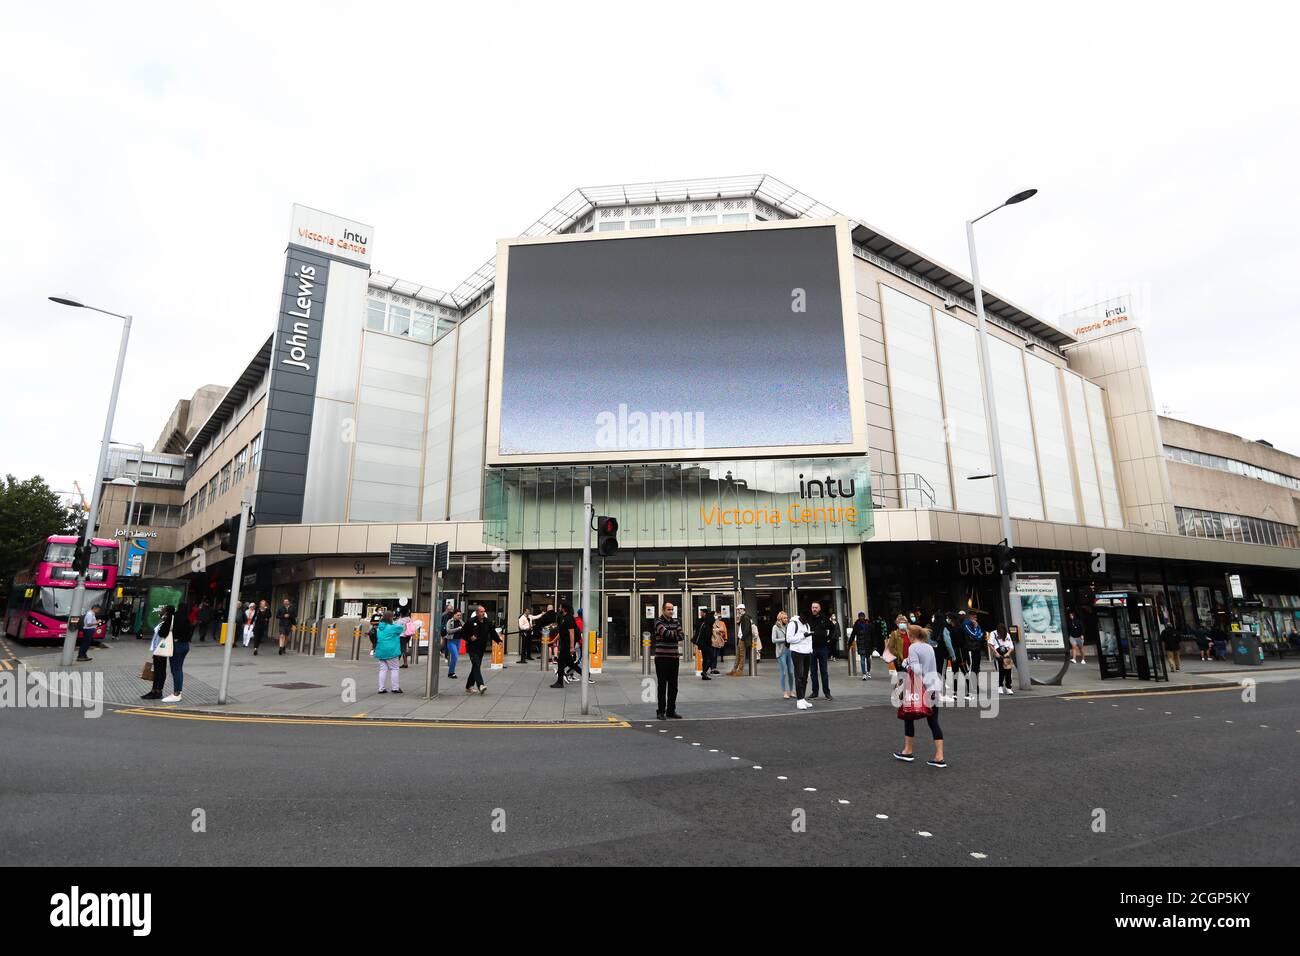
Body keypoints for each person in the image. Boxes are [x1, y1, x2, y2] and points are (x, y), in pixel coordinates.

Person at [893, 624, 946, 768]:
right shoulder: (929, 647)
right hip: (934, 687)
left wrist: (907, 664)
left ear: (911, 635)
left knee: (908, 717)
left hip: (920, 689)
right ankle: (939, 756)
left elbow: (916, 670)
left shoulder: (913, 648)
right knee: (933, 722)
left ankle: (908, 750)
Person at [652, 602, 684, 719]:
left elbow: (681, 635)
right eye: (668, 609)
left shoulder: (676, 621)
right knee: (662, 686)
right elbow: (665, 634)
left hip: (674, 658)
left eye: (672, 609)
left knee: (673, 686)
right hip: (661, 658)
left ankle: (671, 710)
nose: (671, 611)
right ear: (663, 610)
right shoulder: (658, 621)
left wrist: (672, 635)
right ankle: (661, 711)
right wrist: (673, 635)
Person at [462, 605, 501, 695]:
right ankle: (481, 685)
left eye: (484, 611)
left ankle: (468, 686)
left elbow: (492, 632)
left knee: (476, 666)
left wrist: (498, 641)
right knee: (476, 664)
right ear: (476, 612)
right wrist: (469, 637)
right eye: (481, 611)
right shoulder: (471, 621)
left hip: (481, 648)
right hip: (472, 648)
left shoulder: (487, 622)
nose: (483, 613)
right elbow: (463, 633)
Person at [162, 601, 193, 703]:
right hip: (185, 646)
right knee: (179, 668)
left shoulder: (174, 617)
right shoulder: (188, 618)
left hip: (176, 645)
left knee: (176, 669)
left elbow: (162, 632)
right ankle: (178, 691)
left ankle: (177, 693)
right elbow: (190, 633)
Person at [141, 605, 175, 700]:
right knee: (159, 670)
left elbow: (162, 633)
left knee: (159, 671)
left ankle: (157, 691)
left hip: (161, 650)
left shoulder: (168, 621)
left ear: (167, 612)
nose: (161, 610)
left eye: (163, 610)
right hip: (159, 649)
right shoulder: (166, 620)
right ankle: (156, 690)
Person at [785, 610, 814, 709]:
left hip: (807, 652)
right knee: (799, 676)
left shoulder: (807, 625)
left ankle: (802, 698)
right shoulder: (793, 624)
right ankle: (799, 700)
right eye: (806, 619)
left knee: (805, 677)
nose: (807, 621)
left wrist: (810, 650)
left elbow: (809, 639)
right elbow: (789, 639)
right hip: (797, 652)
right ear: (801, 617)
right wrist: (802, 636)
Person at [806, 602, 833, 701]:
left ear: (820, 608)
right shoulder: (808, 619)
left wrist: (828, 639)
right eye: (813, 607)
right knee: (813, 672)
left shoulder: (825, 619)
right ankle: (815, 692)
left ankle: (827, 693)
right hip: (811, 648)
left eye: (816, 607)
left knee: (824, 672)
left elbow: (833, 628)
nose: (814, 609)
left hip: (823, 648)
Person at [374, 609, 404, 694]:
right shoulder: (392, 627)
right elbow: (401, 628)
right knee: (394, 669)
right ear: (390, 618)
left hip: (381, 650)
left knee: (383, 669)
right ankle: (395, 688)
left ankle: (381, 688)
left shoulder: (379, 627)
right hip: (391, 651)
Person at [550, 603, 577, 689]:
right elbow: (561, 633)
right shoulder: (563, 618)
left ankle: (560, 682)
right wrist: (554, 640)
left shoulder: (569, 618)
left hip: (567, 644)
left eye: (560, 607)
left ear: (564, 608)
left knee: (561, 662)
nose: (559, 608)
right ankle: (585, 674)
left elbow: (571, 633)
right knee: (569, 663)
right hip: (564, 643)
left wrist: (572, 646)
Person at [961, 610, 985, 703]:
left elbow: (980, 635)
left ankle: (975, 687)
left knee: (976, 668)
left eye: (976, 617)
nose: (976, 619)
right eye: (974, 617)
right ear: (970, 617)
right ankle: (971, 689)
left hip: (976, 648)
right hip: (971, 649)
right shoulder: (966, 624)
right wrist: (975, 628)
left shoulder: (976, 624)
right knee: (971, 668)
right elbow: (975, 635)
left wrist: (976, 629)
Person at [772, 611, 794, 699]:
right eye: (784, 618)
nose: (786, 619)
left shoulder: (789, 626)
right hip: (781, 652)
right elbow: (773, 640)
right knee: (783, 672)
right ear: (780, 619)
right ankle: (784, 691)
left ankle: (792, 691)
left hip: (789, 651)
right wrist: (784, 639)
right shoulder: (775, 627)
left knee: (791, 672)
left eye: (787, 618)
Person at [988, 622, 1014, 695]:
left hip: (1007, 655)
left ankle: (1008, 687)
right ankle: (1000, 686)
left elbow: (1011, 647)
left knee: (1008, 671)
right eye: (1000, 633)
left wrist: (1008, 653)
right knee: (1000, 671)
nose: (1001, 635)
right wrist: (996, 653)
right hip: (998, 654)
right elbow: (990, 644)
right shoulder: (993, 633)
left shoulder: (1007, 634)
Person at [729, 604, 753, 676]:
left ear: (742, 609)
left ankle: (739, 671)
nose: (738, 611)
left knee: (741, 655)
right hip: (741, 638)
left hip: (742, 638)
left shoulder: (745, 617)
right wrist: (738, 619)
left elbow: (746, 629)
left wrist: (742, 637)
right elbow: (741, 625)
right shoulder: (743, 617)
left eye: (739, 609)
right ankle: (734, 670)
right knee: (738, 655)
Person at [694, 608, 717, 679]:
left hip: (704, 642)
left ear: (704, 613)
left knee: (706, 658)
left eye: (701, 612)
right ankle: (704, 672)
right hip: (704, 643)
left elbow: (712, 621)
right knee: (711, 657)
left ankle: (704, 673)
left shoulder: (707, 621)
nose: (700, 614)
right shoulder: (702, 621)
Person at [851, 612, 873, 680]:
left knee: (868, 659)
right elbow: (853, 634)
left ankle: (868, 671)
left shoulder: (868, 624)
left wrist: (873, 645)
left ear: (864, 617)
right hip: (861, 643)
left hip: (868, 643)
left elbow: (872, 634)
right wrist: (849, 643)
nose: (861, 618)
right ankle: (864, 673)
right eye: (860, 616)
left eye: (862, 616)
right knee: (862, 659)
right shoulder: (856, 625)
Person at [444, 610, 464, 679]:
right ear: (454, 615)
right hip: (451, 641)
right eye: (458, 615)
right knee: (455, 656)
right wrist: (458, 628)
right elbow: (448, 631)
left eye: (460, 615)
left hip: (458, 641)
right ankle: (451, 672)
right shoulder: (450, 621)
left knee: (454, 657)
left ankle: (451, 673)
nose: (459, 616)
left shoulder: (461, 621)